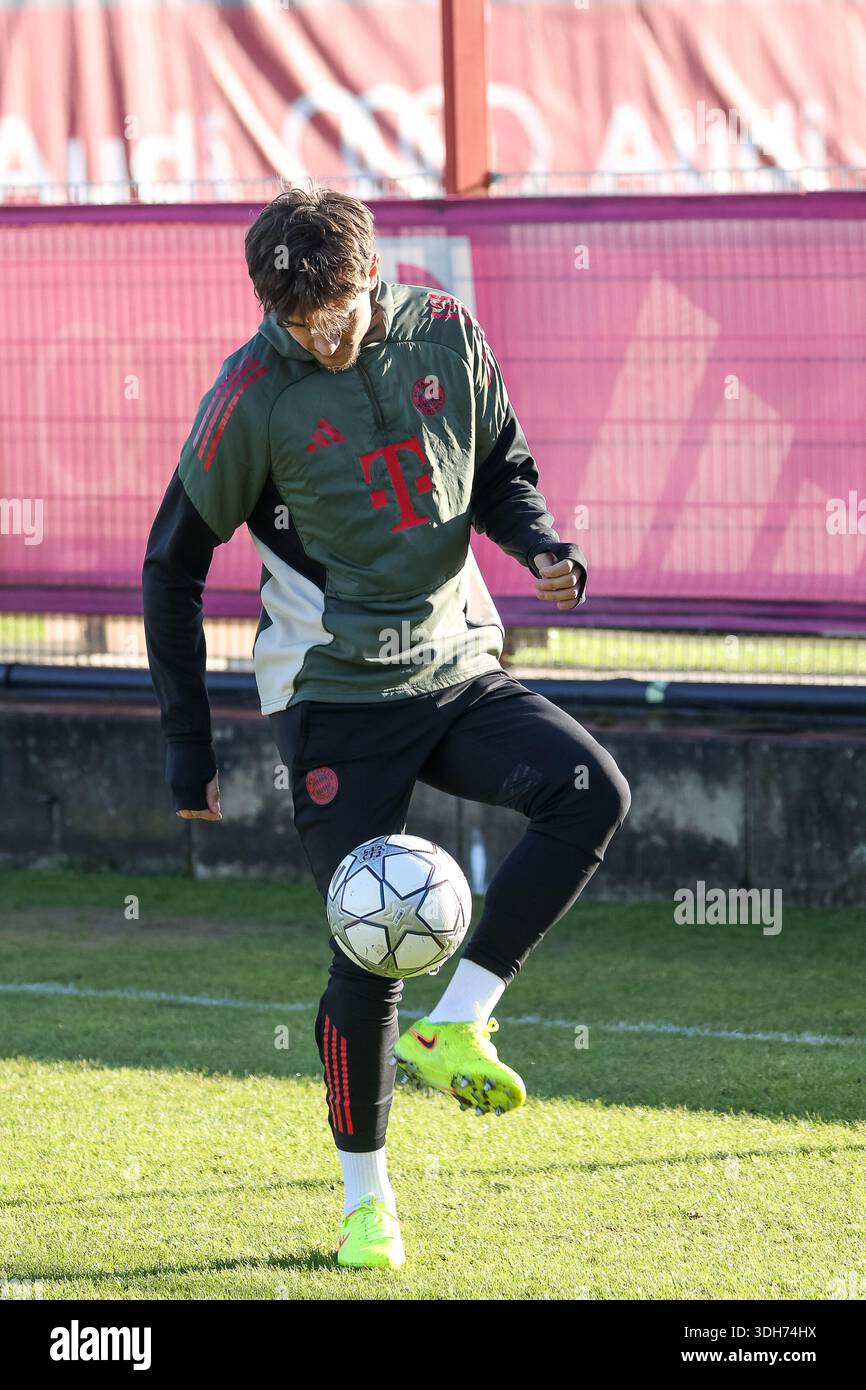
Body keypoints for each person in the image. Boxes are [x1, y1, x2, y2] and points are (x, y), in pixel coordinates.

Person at [142, 183, 630, 1271]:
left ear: (372, 272)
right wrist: (190, 744)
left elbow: (498, 465)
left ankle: (458, 1017)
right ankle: (367, 1197)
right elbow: (169, 565)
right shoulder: (250, 393)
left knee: (589, 788)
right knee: (365, 943)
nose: (320, 334)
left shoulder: (446, 330)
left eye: (336, 310)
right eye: (295, 319)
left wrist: (541, 544)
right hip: (335, 699)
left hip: (455, 661)